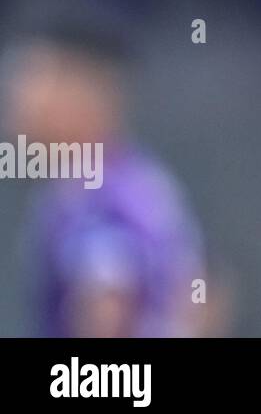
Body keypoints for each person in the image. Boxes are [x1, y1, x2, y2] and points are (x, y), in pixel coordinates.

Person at [3, 23, 206, 337]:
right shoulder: (131, 183)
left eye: (32, 81)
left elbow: (104, 329)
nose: (16, 101)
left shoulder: (99, 202)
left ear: (81, 93)